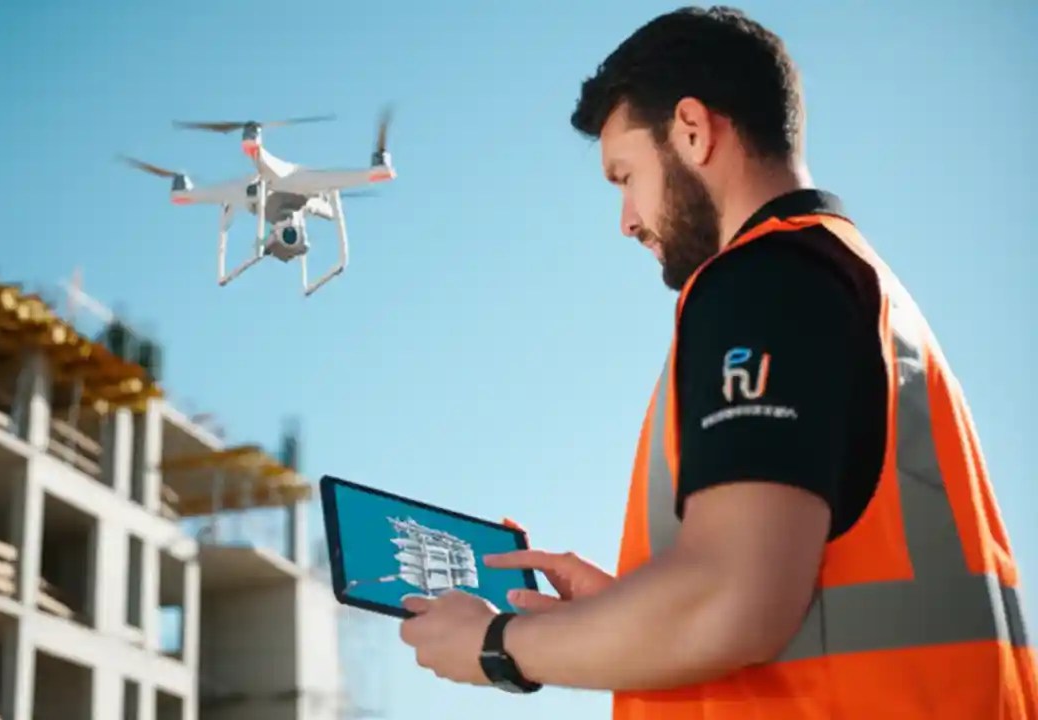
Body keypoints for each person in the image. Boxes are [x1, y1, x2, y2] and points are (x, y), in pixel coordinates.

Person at [397, 5, 1036, 717]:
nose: (627, 220)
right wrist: (624, 613)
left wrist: (498, 645)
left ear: (693, 132)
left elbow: (736, 600)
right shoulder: (853, 281)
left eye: (624, 176)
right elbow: (784, 592)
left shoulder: (764, 281)